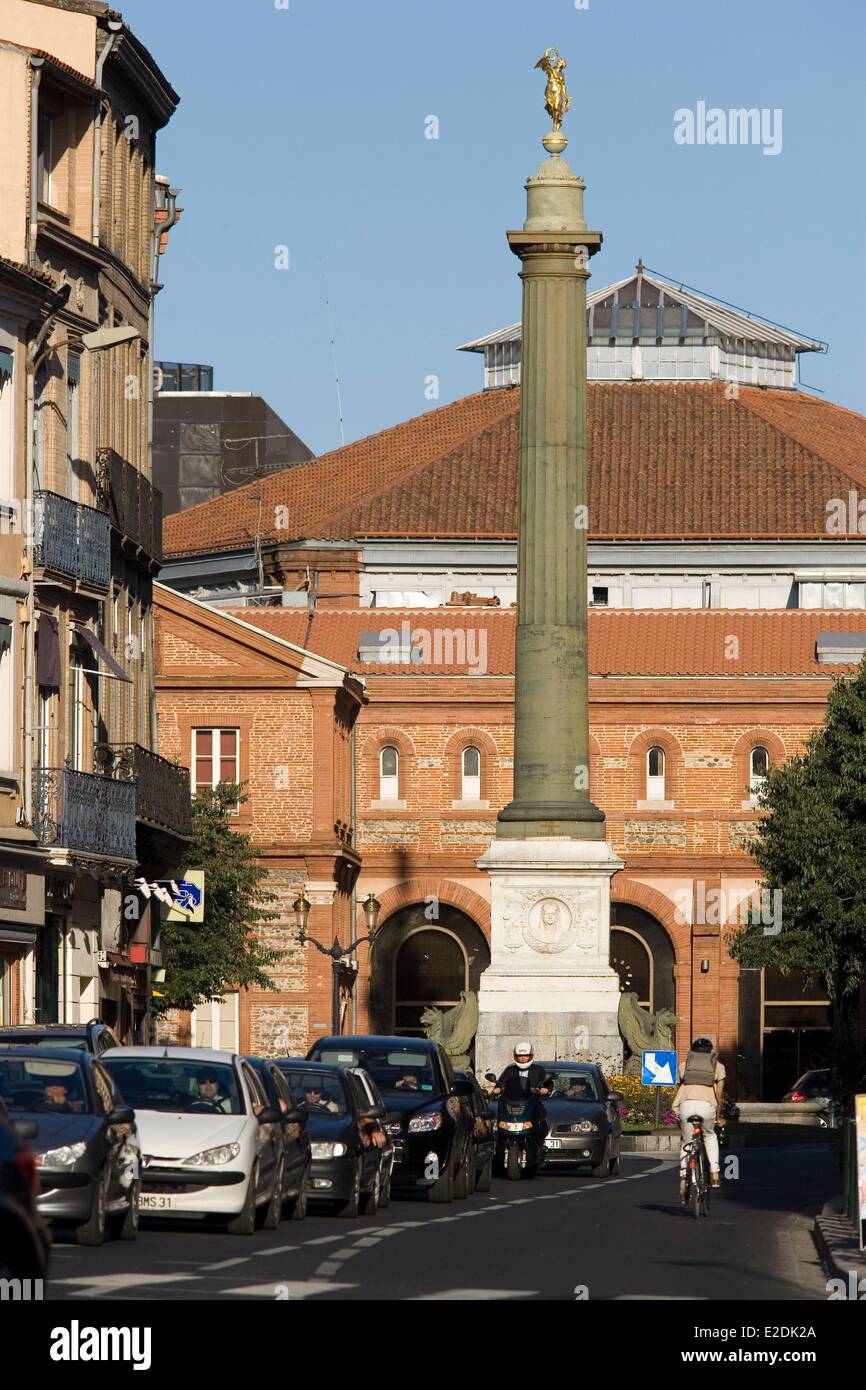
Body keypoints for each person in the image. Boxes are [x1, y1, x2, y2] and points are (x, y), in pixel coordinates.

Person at [671, 1036, 726, 1197]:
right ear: (710, 1052)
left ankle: (683, 1175)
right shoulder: (718, 1066)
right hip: (707, 1107)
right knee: (709, 1136)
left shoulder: (684, 1065)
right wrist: (718, 1116)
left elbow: (680, 1087)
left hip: (686, 1106)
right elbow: (719, 1094)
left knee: (686, 1141)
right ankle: (714, 1173)